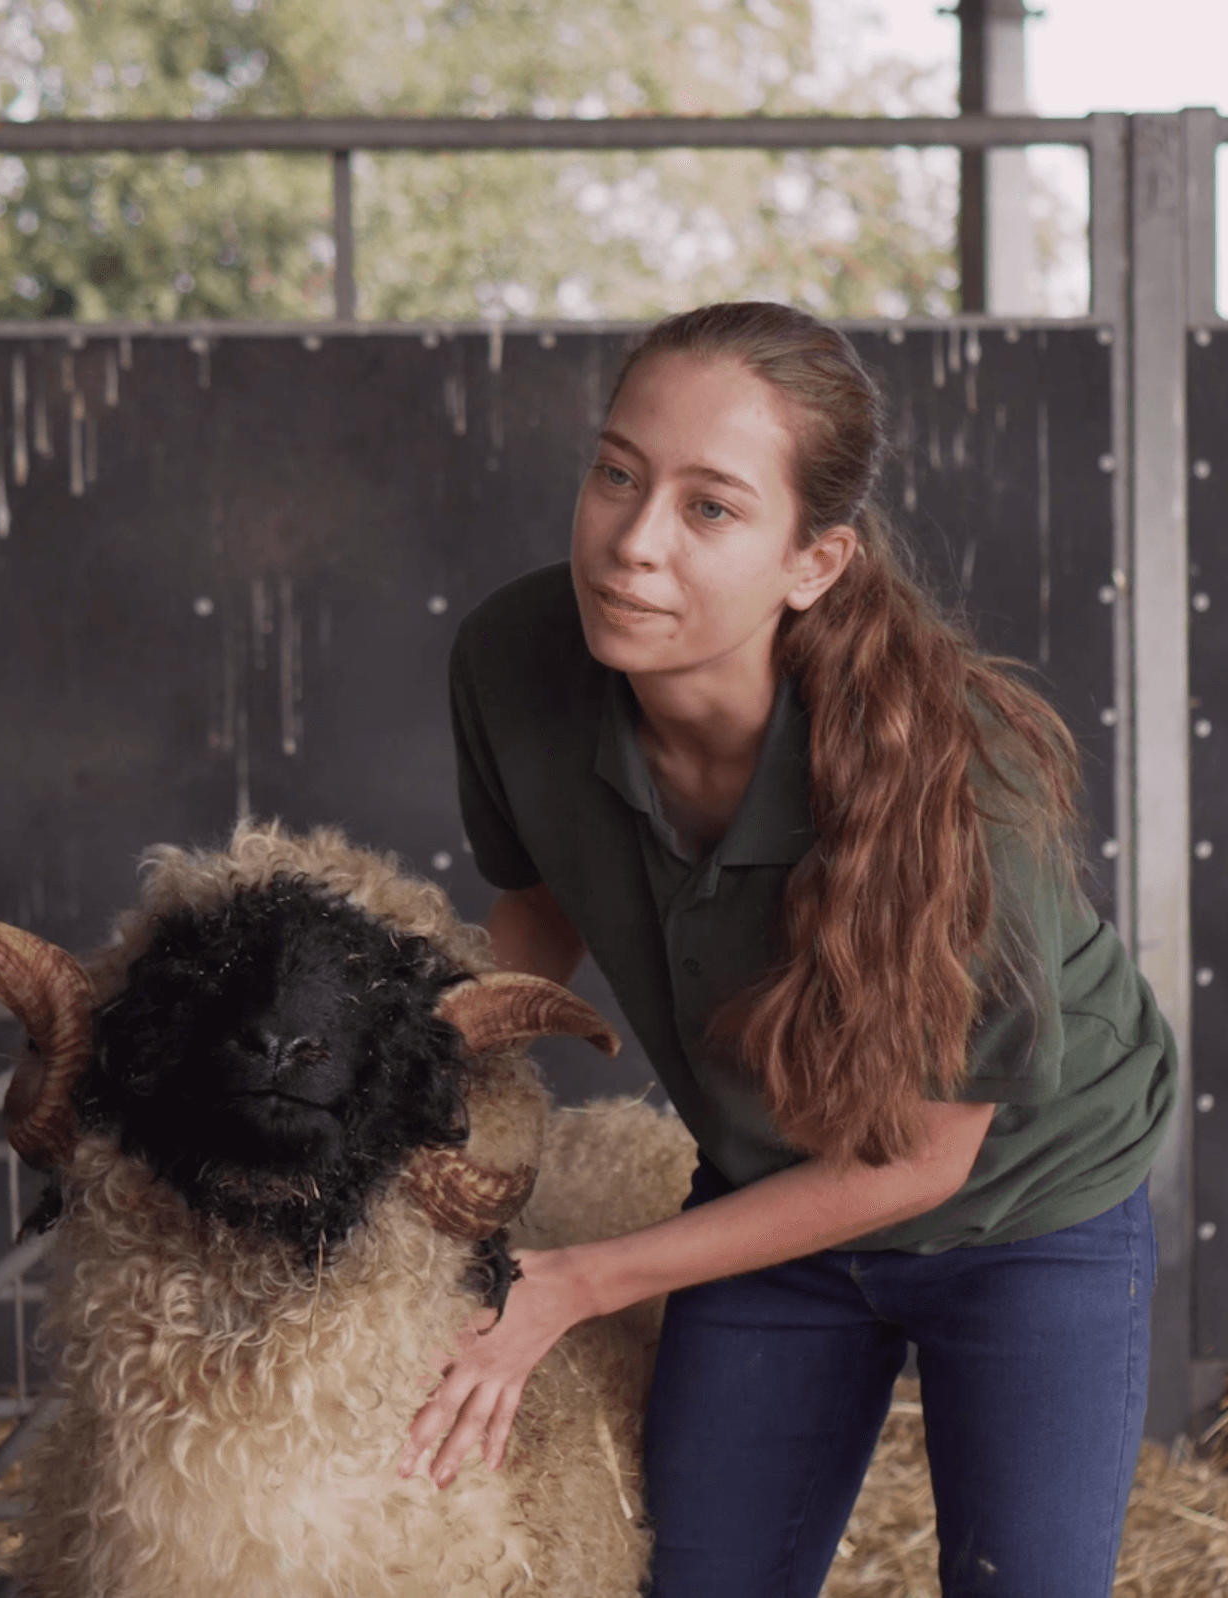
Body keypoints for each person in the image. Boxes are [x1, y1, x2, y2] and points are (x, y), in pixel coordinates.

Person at [407, 300, 1178, 1597]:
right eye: (616, 473)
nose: (633, 544)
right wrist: (425, 1083)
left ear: (813, 561)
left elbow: (917, 1158)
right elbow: (547, 896)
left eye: (709, 508)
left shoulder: (961, 786)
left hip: (1024, 1203)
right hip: (773, 1188)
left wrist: (580, 1280)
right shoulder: (514, 661)